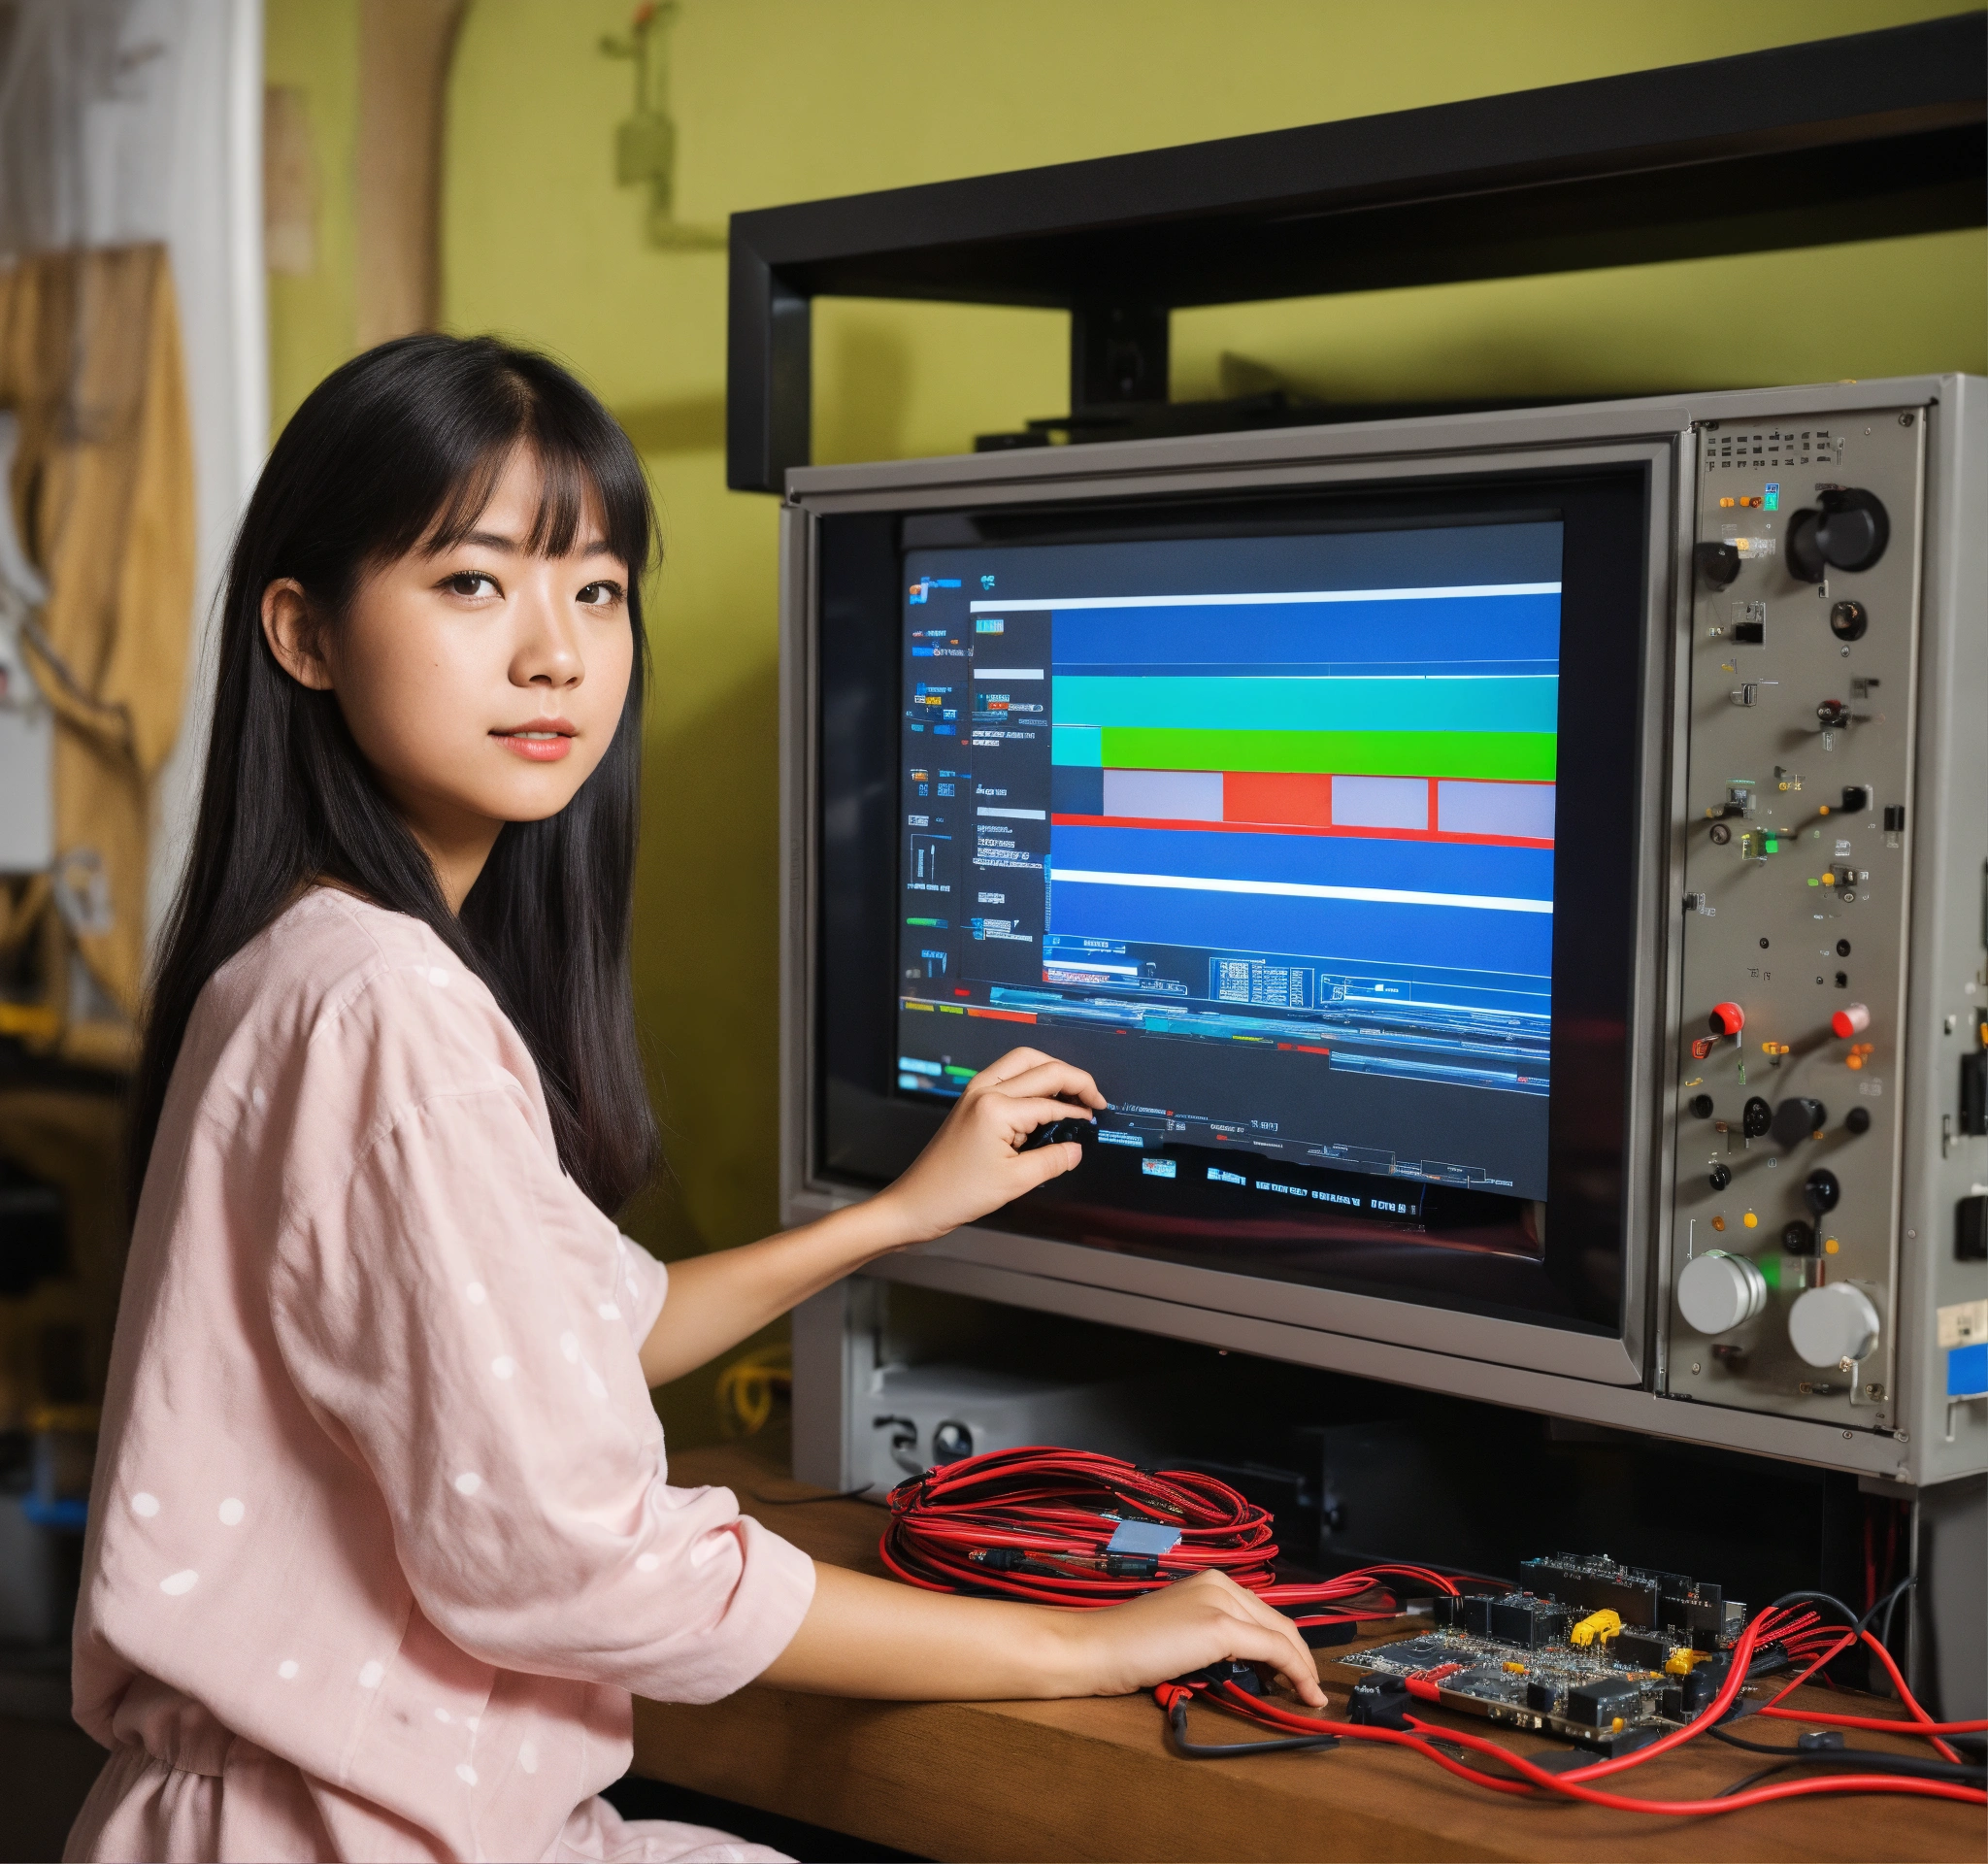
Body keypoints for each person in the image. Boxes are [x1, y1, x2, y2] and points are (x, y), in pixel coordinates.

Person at [65, 335, 1322, 1863]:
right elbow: (576, 1558)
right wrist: (1089, 1646)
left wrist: (897, 1218)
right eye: (473, 583)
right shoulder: (385, 1007)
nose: (557, 656)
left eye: (595, 590)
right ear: (305, 633)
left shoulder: (321, 964)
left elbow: (561, 1349)